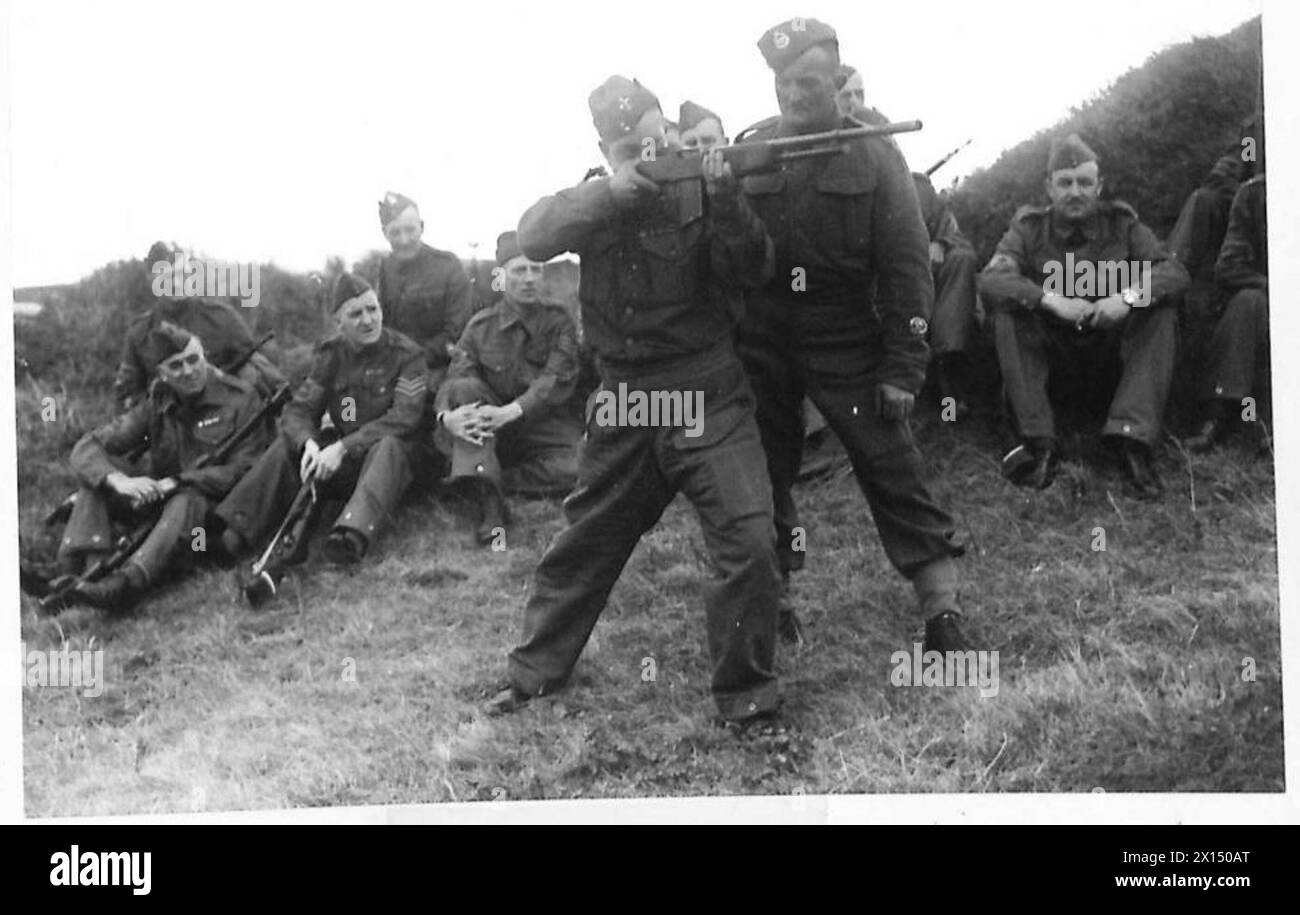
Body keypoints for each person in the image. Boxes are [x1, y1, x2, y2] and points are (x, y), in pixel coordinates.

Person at [487, 75, 783, 726]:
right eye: (629, 150)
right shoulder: (595, 198)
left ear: (669, 132)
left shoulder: (705, 186)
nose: (647, 157)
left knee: (750, 541)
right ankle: (532, 675)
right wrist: (608, 195)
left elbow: (756, 268)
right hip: (626, 400)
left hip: (707, 390)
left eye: (654, 142)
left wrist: (726, 197)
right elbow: (532, 233)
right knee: (587, 542)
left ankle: (747, 695)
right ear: (606, 149)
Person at [736, 17, 971, 654]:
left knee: (890, 465)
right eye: (783, 83)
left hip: (846, 336)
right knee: (763, 473)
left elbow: (905, 266)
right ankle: (774, 598)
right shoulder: (749, 148)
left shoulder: (876, 152)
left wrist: (903, 365)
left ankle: (941, 609)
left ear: (837, 80)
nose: (792, 96)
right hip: (764, 340)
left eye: (807, 82)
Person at [978, 133, 1190, 497]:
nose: (1075, 192)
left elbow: (1174, 273)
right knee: (1008, 315)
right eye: (1065, 182)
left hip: (1112, 362)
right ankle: (1039, 442)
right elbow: (992, 279)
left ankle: (1131, 440)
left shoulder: (1124, 226)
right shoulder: (1028, 230)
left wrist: (1128, 297)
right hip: (1054, 364)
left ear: (1099, 186)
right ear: (1048, 187)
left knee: (1159, 312)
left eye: (1084, 182)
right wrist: (1047, 299)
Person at [33, 324, 269, 611]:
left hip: (210, 525)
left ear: (203, 355)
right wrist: (117, 480)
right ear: (162, 374)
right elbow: (88, 446)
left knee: (187, 498)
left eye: (194, 359)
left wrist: (180, 480)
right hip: (164, 510)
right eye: (176, 366)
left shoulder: (241, 398)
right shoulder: (158, 401)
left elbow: (247, 470)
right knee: (96, 481)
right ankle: (71, 575)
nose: (189, 370)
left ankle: (126, 585)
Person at [216, 273, 434, 569]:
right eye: (355, 314)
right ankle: (235, 530)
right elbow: (299, 409)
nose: (368, 320)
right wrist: (307, 444)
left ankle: (351, 534)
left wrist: (342, 447)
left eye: (373, 309)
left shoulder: (407, 354)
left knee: (390, 445)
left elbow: (405, 418)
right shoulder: (331, 354)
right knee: (287, 446)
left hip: (399, 465)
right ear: (338, 322)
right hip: (350, 461)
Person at [435, 231, 582, 544]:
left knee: (583, 465)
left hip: (543, 428)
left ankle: (490, 477)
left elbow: (554, 379)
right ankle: (491, 508)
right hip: (492, 430)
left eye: (536, 269)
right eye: (519, 270)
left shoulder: (560, 322)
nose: (529, 279)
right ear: (501, 278)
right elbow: (453, 380)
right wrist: (445, 417)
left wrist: (509, 412)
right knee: (464, 387)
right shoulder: (479, 327)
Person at [115, 241, 285, 410]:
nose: (176, 284)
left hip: (225, 420)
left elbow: (260, 370)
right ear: (152, 280)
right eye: (166, 278)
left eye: (182, 275)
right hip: (169, 424)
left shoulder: (222, 318)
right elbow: (127, 396)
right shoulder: (140, 333)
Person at [1185, 173, 1268, 450]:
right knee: (1248, 301)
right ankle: (1217, 417)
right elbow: (1229, 267)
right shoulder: (1255, 194)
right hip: (1271, 300)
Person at [374, 191, 474, 381]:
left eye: (410, 230)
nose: (404, 240)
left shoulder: (447, 265)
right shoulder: (385, 269)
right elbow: (381, 325)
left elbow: (457, 331)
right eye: (395, 232)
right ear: (384, 233)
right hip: (395, 369)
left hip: (441, 369)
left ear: (421, 227)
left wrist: (411, 359)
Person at [913, 171, 980, 417]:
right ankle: (948, 399)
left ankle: (950, 400)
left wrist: (941, 242)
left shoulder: (927, 196)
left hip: (938, 302)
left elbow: (959, 241)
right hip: (893, 291)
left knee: (962, 259)